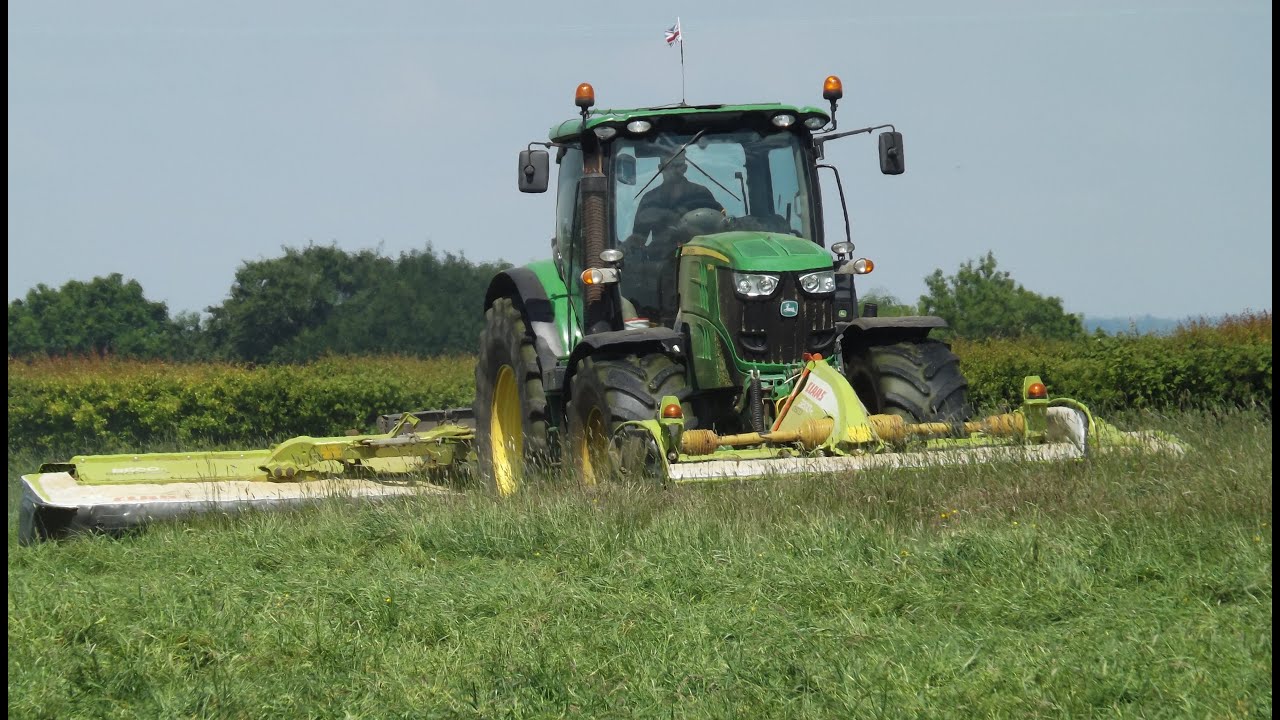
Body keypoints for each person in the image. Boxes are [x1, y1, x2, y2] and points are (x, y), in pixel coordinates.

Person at [628, 154, 723, 247]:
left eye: (678, 165)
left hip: (698, 257)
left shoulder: (702, 195)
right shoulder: (649, 200)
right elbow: (638, 241)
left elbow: (720, 228)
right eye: (669, 166)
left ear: (685, 168)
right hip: (661, 260)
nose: (674, 170)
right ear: (660, 168)